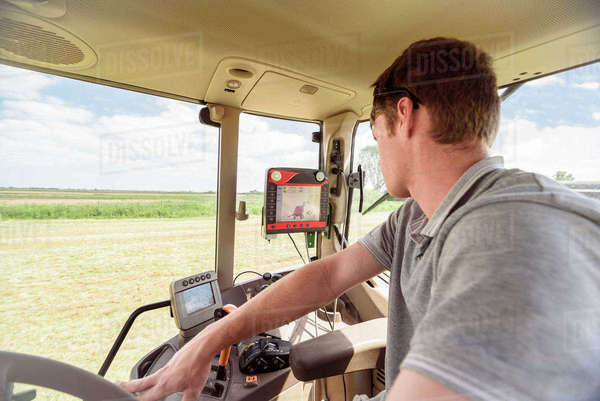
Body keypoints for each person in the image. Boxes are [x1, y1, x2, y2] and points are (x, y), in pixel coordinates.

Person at [121, 38, 600, 401]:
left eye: (372, 128)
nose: (375, 147)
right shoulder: (418, 215)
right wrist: (210, 340)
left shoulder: (509, 234)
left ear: (405, 114)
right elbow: (329, 273)